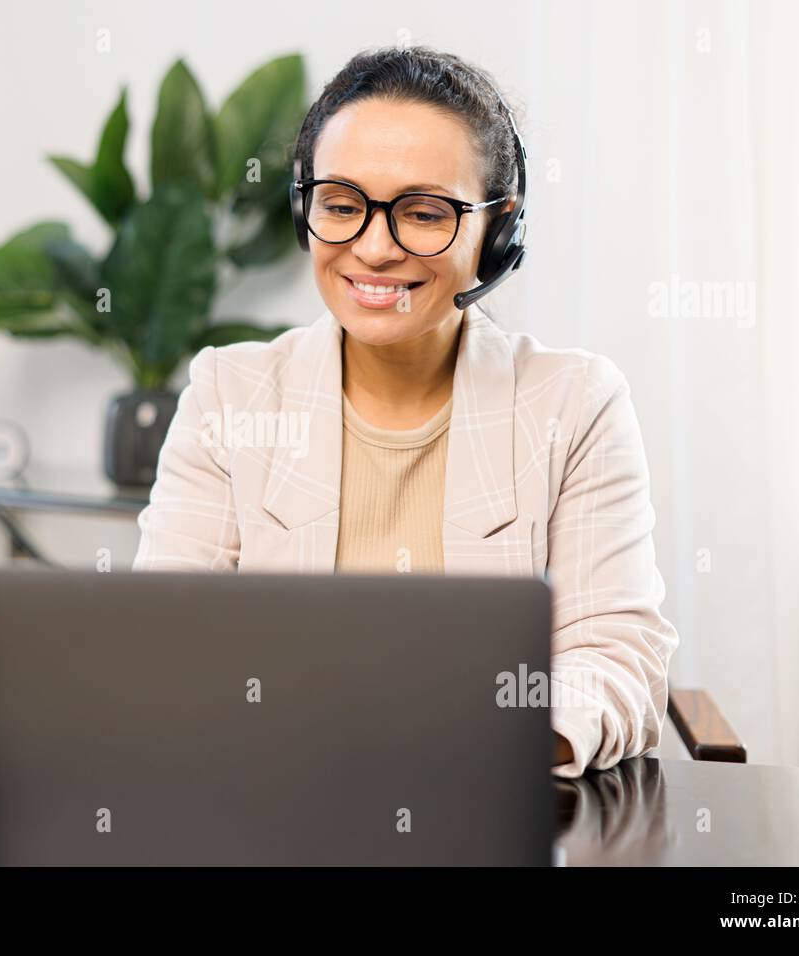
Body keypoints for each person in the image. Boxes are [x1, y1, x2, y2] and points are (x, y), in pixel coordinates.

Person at [132, 46, 678, 779]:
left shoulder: (575, 404)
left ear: (499, 231)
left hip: (482, 799)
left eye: (424, 213)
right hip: (272, 797)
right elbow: (163, 641)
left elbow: (615, 654)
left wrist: (489, 741)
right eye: (341, 205)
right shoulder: (231, 393)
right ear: (306, 210)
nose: (374, 247)